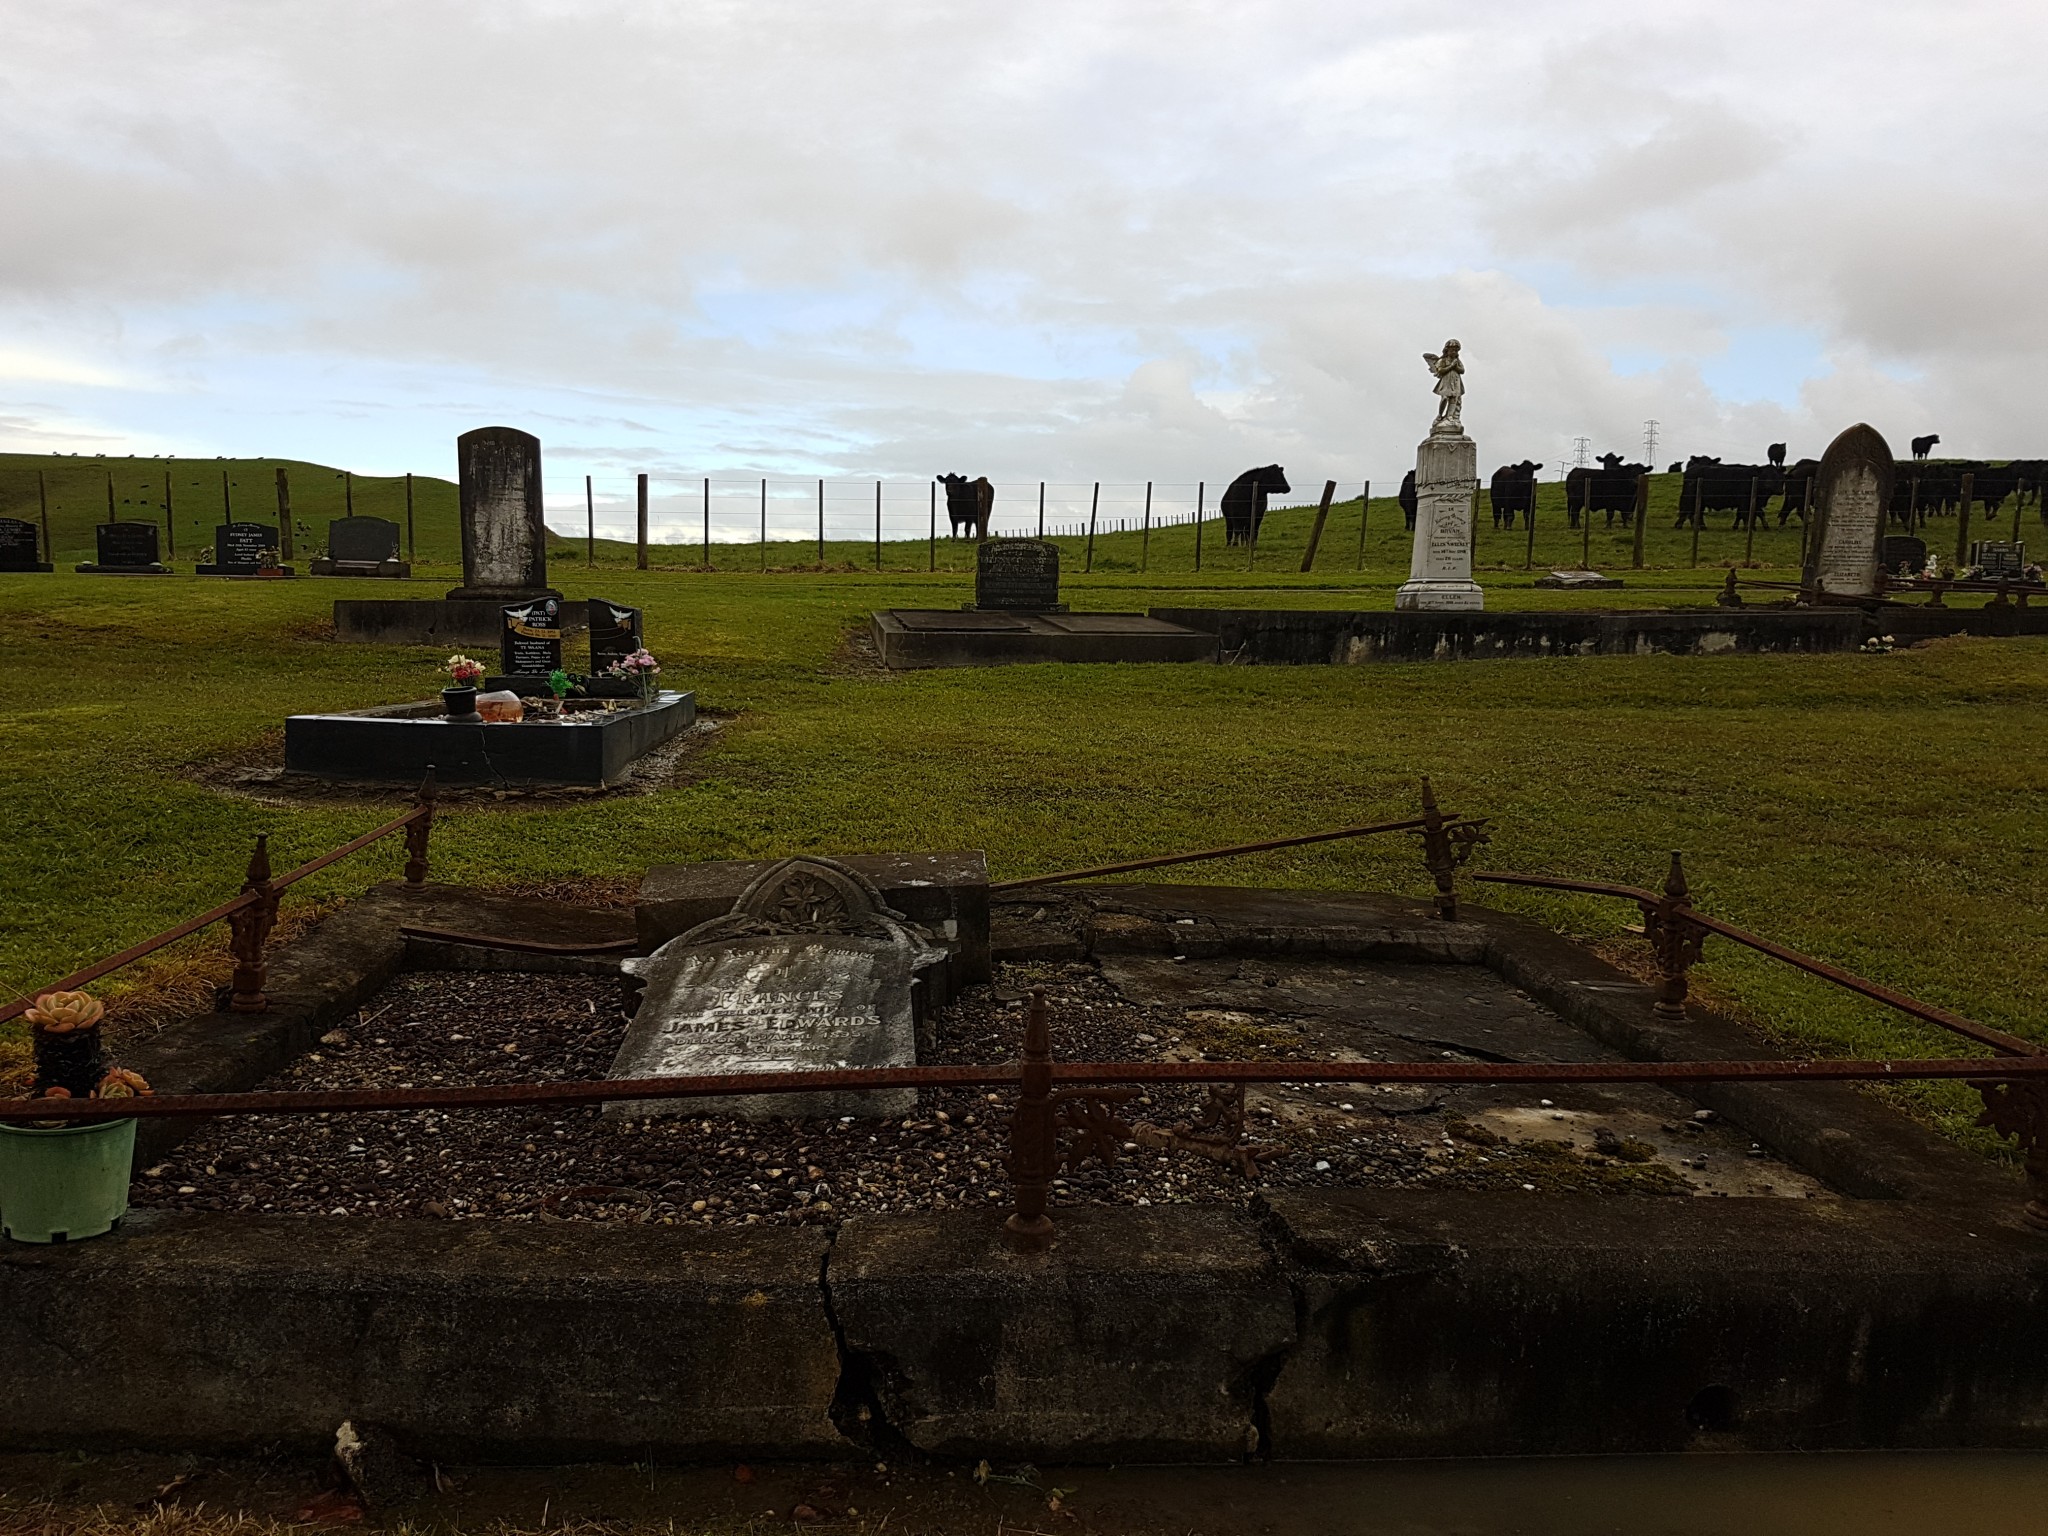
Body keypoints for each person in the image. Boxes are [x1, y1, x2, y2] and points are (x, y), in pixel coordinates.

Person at [1423, 339, 1464, 431]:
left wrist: (1456, 366)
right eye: (1451, 350)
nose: (1453, 352)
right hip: (1446, 381)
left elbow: (1462, 370)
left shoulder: (1457, 361)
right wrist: (1451, 366)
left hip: (1455, 381)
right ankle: (1440, 415)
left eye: (1455, 350)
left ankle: (1450, 416)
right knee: (1445, 398)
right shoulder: (1443, 360)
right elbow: (1440, 370)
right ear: (1447, 350)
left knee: (1453, 398)